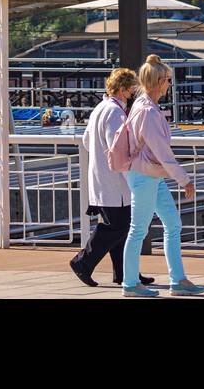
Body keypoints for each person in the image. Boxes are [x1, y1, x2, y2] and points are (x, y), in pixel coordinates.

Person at [121, 56, 204, 297]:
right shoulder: (147, 111)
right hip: (144, 175)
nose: (170, 84)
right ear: (158, 81)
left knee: (173, 224)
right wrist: (184, 180)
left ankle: (177, 280)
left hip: (150, 175)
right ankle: (130, 284)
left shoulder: (146, 106)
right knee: (139, 229)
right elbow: (162, 151)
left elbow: (160, 153)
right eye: (168, 80)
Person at [69, 68, 155, 288]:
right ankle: (83, 262)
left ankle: (126, 273)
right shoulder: (116, 113)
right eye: (132, 89)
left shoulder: (100, 108)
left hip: (102, 179)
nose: (134, 93)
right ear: (124, 90)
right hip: (114, 181)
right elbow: (116, 146)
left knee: (121, 227)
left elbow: (88, 142)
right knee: (117, 226)